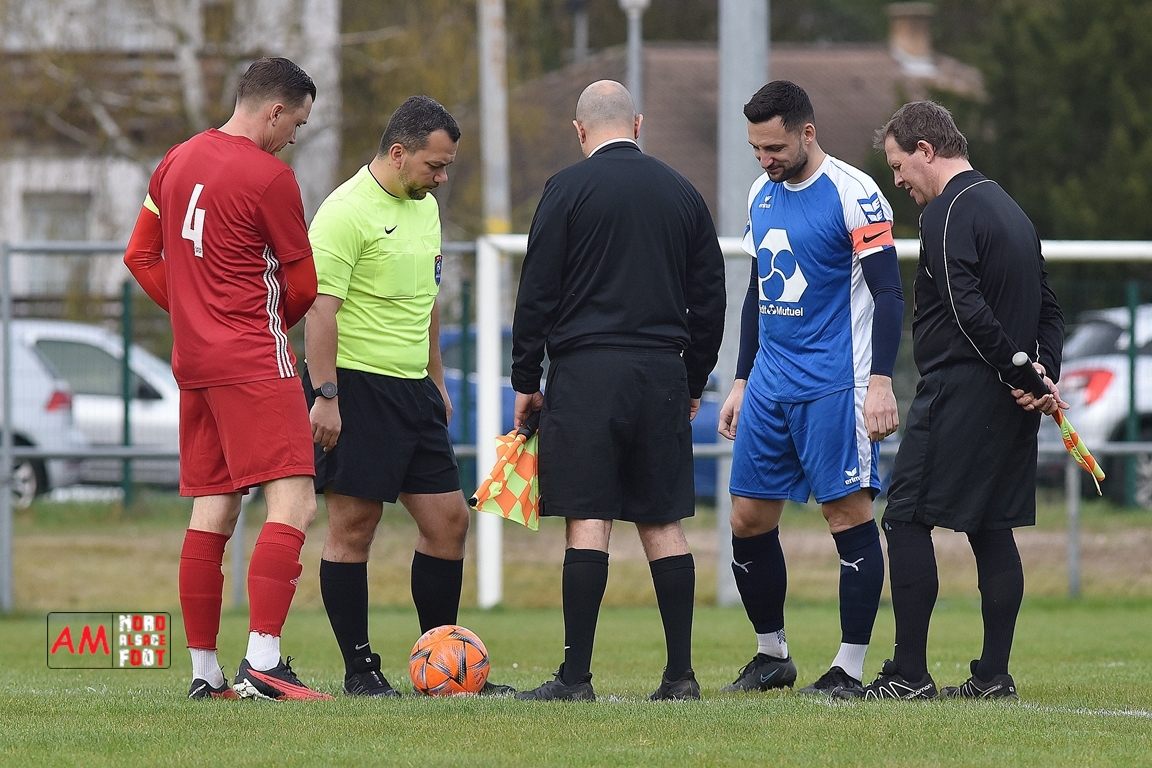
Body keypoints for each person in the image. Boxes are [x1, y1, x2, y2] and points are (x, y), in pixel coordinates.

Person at [511, 80, 726, 702]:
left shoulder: (566, 189)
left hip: (585, 375)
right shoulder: (682, 192)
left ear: (580, 131)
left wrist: (527, 379)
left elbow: (538, 294)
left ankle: (575, 677)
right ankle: (680, 676)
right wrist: (693, 380)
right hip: (660, 373)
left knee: (589, 516)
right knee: (661, 519)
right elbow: (709, 296)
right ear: (638, 122)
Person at [123, 57, 330, 701]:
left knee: (213, 507)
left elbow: (140, 254)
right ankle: (264, 662)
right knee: (294, 500)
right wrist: (255, 322)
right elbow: (302, 284)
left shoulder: (174, 161)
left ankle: (204, 674)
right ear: (274, 110)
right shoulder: (271, 178)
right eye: (296, 120)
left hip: (197, 364)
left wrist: (195, 316)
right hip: (252, 356)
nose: (295, 134)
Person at [304, 95, 511, 697]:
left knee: (448, 521)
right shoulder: (343, 212)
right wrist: (326, 396)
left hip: (415, 391)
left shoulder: (425, 209)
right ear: (399, 153)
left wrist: (439, 384)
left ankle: (440, 665)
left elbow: (429, 306)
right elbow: (321, 311)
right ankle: (360, 671)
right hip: (357, 388)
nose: (442, 178)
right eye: (435, 166)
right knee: (355, 526)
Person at [861, 100, 1065, 700]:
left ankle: (908, 675)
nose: (898, 181)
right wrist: (1038, 374)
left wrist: (1019, 371)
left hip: (962, 388)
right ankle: (993, 677)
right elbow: (1049, 309)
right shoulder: (1013, 210)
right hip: (1009, 396)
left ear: (927, 150)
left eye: (900, 166)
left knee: (903, 516)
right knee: (992, 527)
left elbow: (963, 303)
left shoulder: (947, 213)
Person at [716, 80, 904, 698]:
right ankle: (772, 656)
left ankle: (849, 669)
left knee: (846, 516)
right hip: (770, 383)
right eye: (756, 149)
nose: (765, 160)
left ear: (807, 133)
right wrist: (741, 379)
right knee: (746, 518)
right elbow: (757, 290)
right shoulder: (759, 192)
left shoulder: (858, 195)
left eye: (774, 147)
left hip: (836, 384)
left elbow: (889, 295)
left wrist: (880, 382)